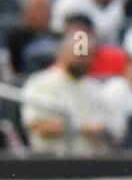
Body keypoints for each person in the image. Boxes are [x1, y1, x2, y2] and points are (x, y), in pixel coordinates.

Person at [20, 26, 112, 155]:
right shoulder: (40, 82)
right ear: (62, 52)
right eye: (78, 52)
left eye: (87, 53)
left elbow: (105, 128)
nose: (83, 57)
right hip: (51, 162)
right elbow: (38, 126)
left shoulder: (95, 88)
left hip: (91, 162)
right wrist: (82, 128)